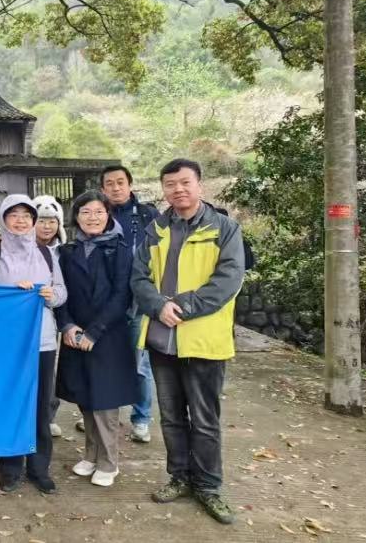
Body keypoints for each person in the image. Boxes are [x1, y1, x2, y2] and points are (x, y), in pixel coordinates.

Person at [132, 158, 244, 525]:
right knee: (172, 418)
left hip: (203, 339)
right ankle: (179, 477)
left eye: (184, 182)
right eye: (170, 184)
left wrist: (179, 306)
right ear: (162, 189)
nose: (178, 189)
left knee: (205, 419)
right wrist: (156, 306)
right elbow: (139, 278)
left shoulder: (224, 228)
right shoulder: (156, 229)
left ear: (200, 185)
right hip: (163, 339)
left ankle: (209, 487)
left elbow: (227, 280)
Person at [0, 195, 68, 494]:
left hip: (42, 340)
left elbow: (62, 291)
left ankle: (39, 468)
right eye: (13, 214)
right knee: (12, 403)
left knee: (41, 406)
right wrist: (11, 294)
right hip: (6, 342)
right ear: (3, 219)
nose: (20, 220)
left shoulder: (46, 253)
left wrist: (51, 295)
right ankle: (10, 467)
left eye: (26, 215)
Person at [54, 191, 139, 488]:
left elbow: (121, 296)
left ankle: (109, 461)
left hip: (108, 337)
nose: (93, 218)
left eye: (98, 212)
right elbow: (59, 293)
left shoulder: (120, 250)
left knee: (105, 402)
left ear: (108, 216)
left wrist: (95, 331)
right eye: (86, 212)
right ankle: (90, 455)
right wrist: (67, 326)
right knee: (85, 398)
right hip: (75, 336)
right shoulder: (67, 251)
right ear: (76, 217)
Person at [99, 165, 161, 444]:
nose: (115, 188)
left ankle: (141, 418)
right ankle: (104, 417)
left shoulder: (149, 216)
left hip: (137, 301)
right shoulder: (97, 213)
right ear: (103, 189)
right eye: (109, 184)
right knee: (105, 362)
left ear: (130, 184)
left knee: (138, 364)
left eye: (120, 182)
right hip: (105, 301)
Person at [33, 195, 66, 439]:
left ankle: (48, 414)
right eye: (41, 220)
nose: (46, 226)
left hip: (53, 317)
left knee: (49, 371)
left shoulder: (64, 250)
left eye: (51, 221)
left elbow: (63, 289)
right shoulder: (20, 249)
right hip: (26, 319)